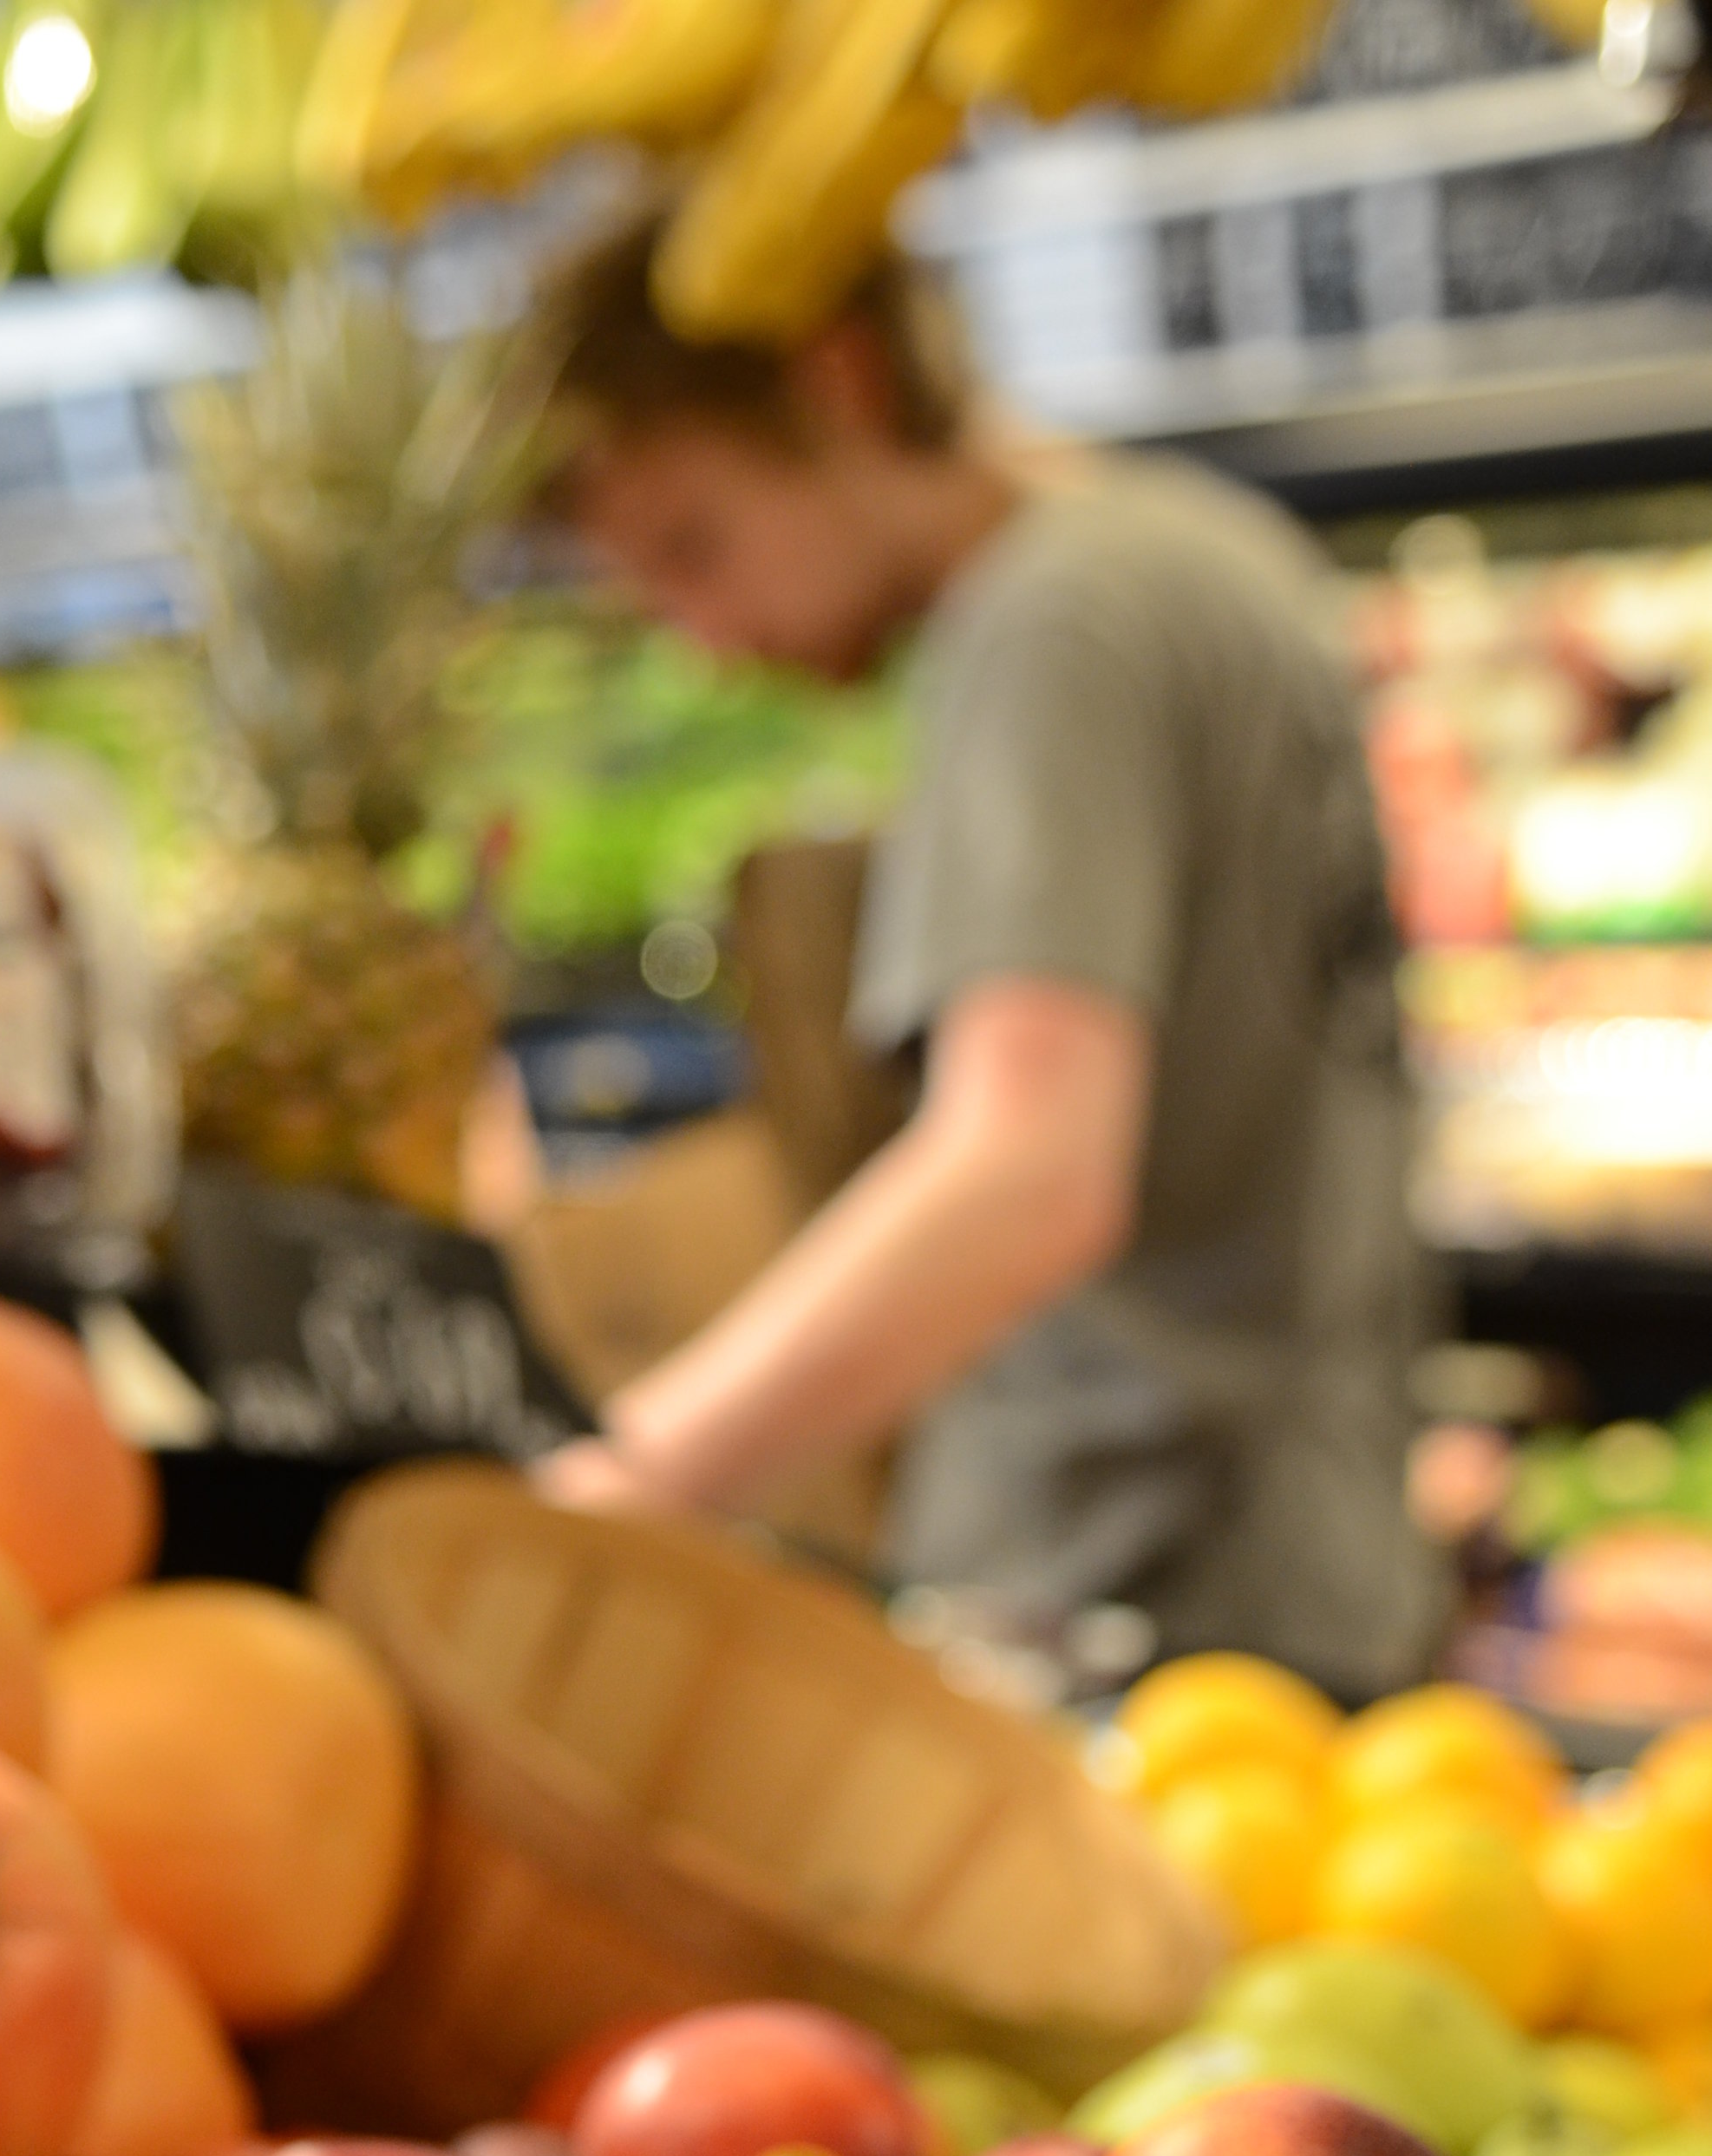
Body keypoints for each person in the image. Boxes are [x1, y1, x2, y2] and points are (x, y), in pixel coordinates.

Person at [527, 219, 1441, 1701]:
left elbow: (1029, 1172)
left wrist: (639, 1475)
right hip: (1311, 1555)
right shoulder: (1208, 554)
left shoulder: (1048, 629)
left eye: (696, 542)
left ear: (838, 383)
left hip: (1136, 1592)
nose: (702, 639)